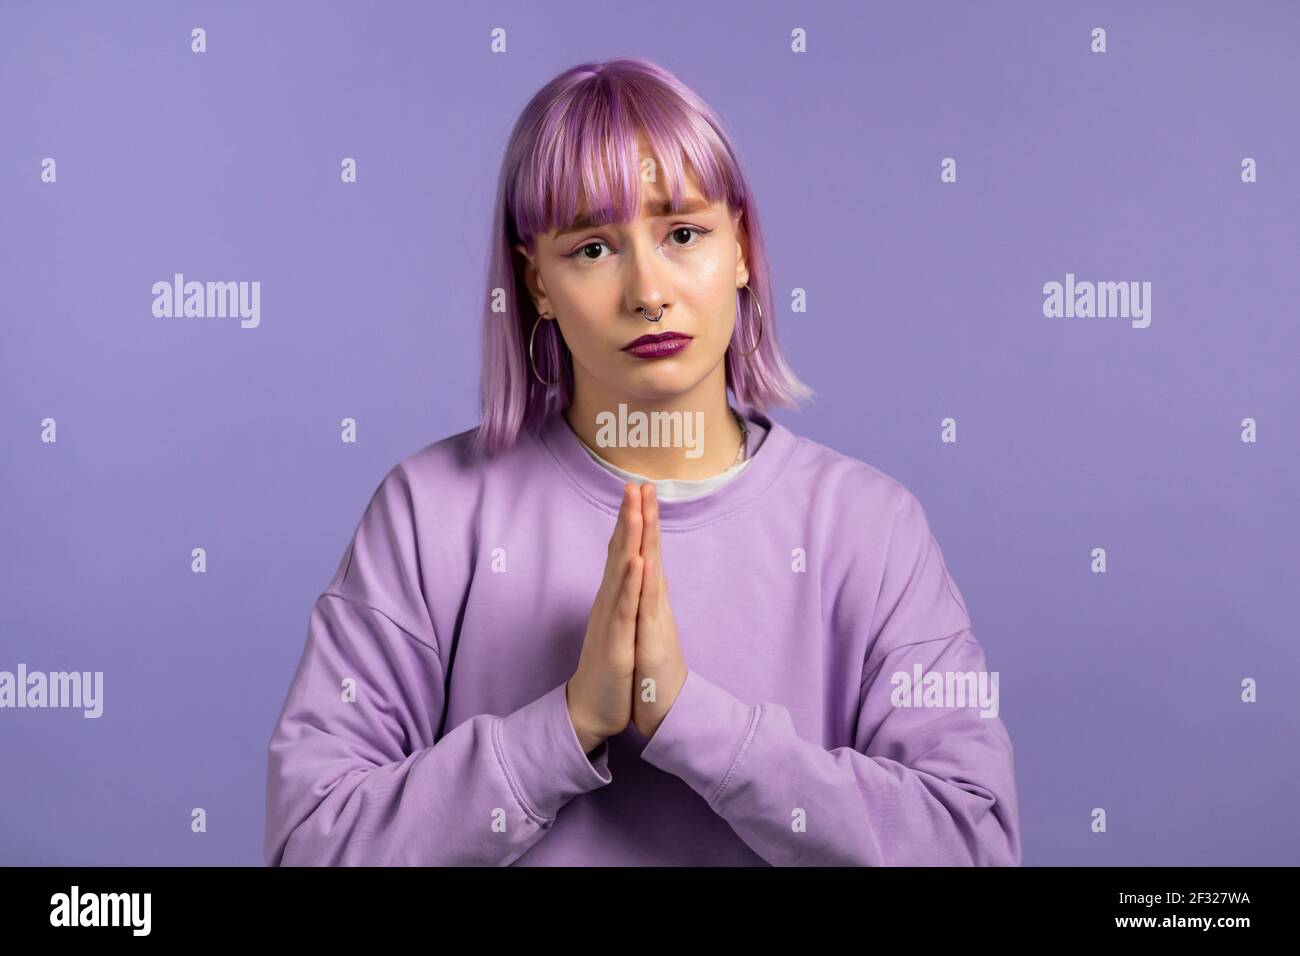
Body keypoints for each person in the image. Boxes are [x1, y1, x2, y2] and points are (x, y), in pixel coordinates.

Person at [263, 57, 1022, 866]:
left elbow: (971, 846)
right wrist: (564, 727)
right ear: (537, 283)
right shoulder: (429, 513)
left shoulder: (870, 527)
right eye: (593, 248)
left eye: (683, 234)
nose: (647, 291)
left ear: (741, 249)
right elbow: (310, 844)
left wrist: (694, 723)